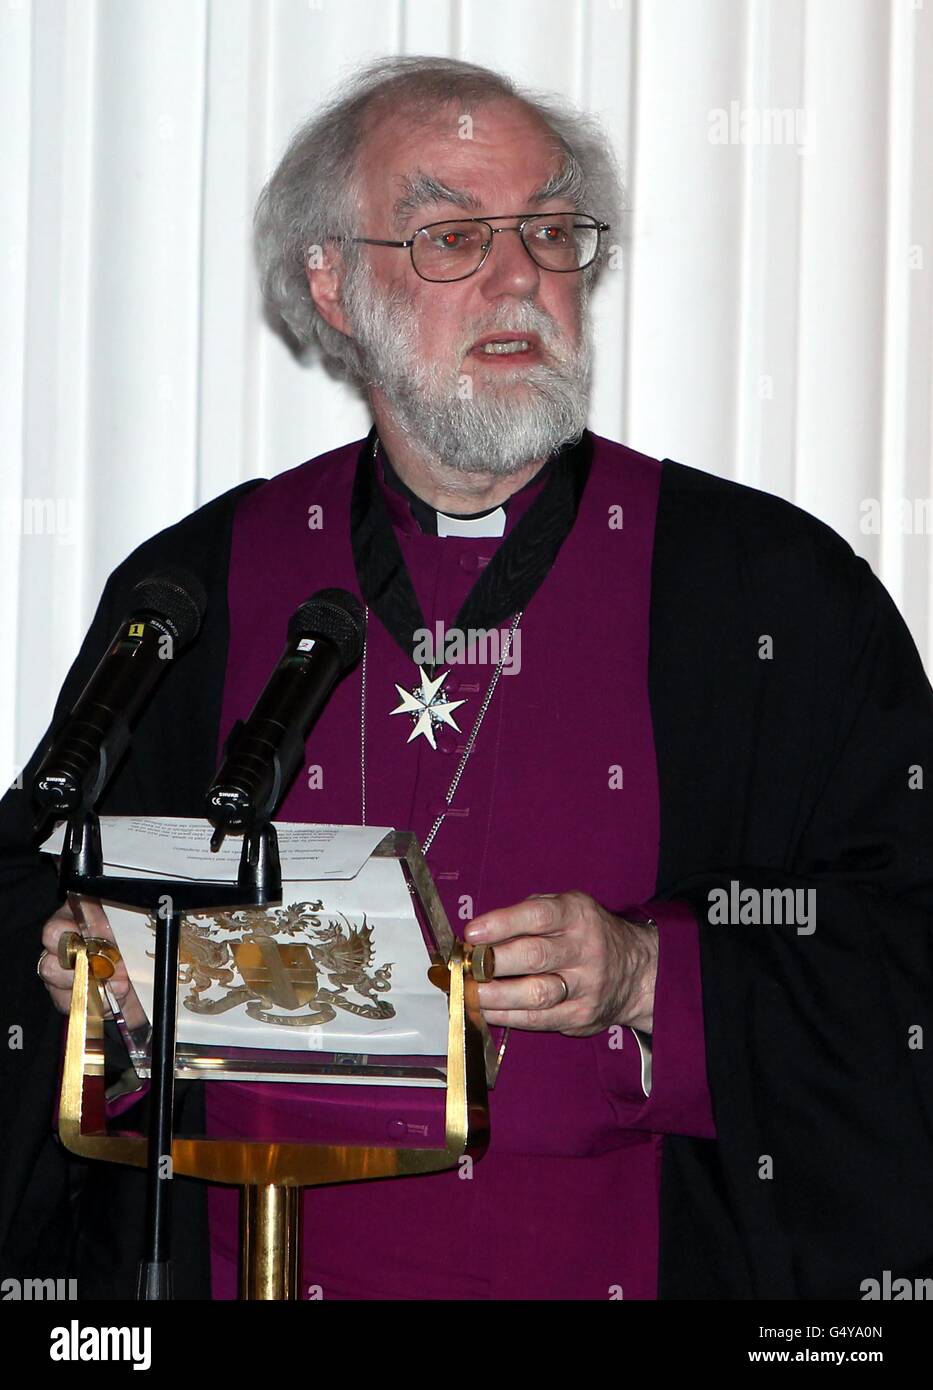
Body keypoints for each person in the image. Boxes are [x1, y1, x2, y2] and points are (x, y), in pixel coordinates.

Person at [2, 53, 932, 1301]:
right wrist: (69, 957)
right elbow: (46, 885)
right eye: (453, 236)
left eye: (550, 229)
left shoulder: (768, 596)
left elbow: (902, 950)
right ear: (332, 285)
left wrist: (662, 977)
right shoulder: (200, 588)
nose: (519, 277)